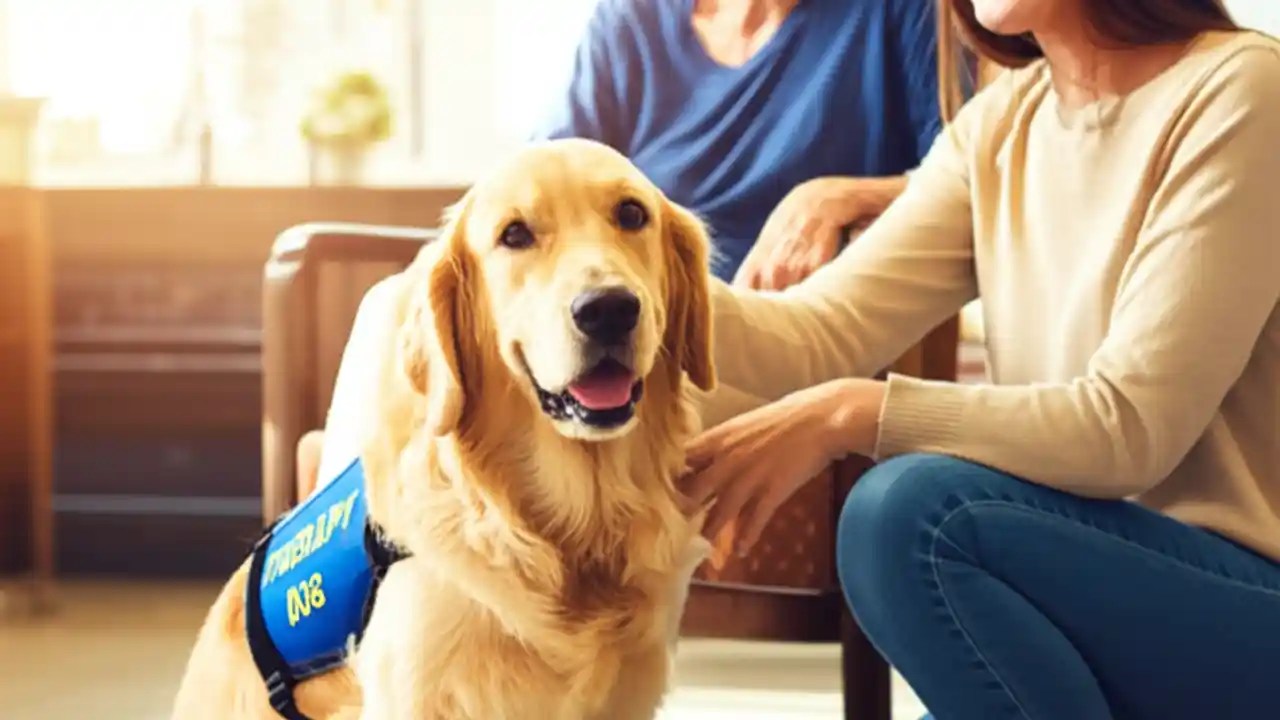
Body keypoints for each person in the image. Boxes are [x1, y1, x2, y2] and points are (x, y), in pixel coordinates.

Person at [681, 0, 1280, 717]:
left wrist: (850, 413)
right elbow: (819, 333)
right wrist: (628, 281)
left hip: (1243, 605)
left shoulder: (1242, 91)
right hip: (1075, 586)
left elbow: (1128, 428)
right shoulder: (1000, 128)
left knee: (908, 514)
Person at [535, 0, 954, 287]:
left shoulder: (901, 10)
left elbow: (966, 179)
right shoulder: (632, 17)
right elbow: (542, 179)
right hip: (636, 313)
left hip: (798, 322)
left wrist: (844, 196)